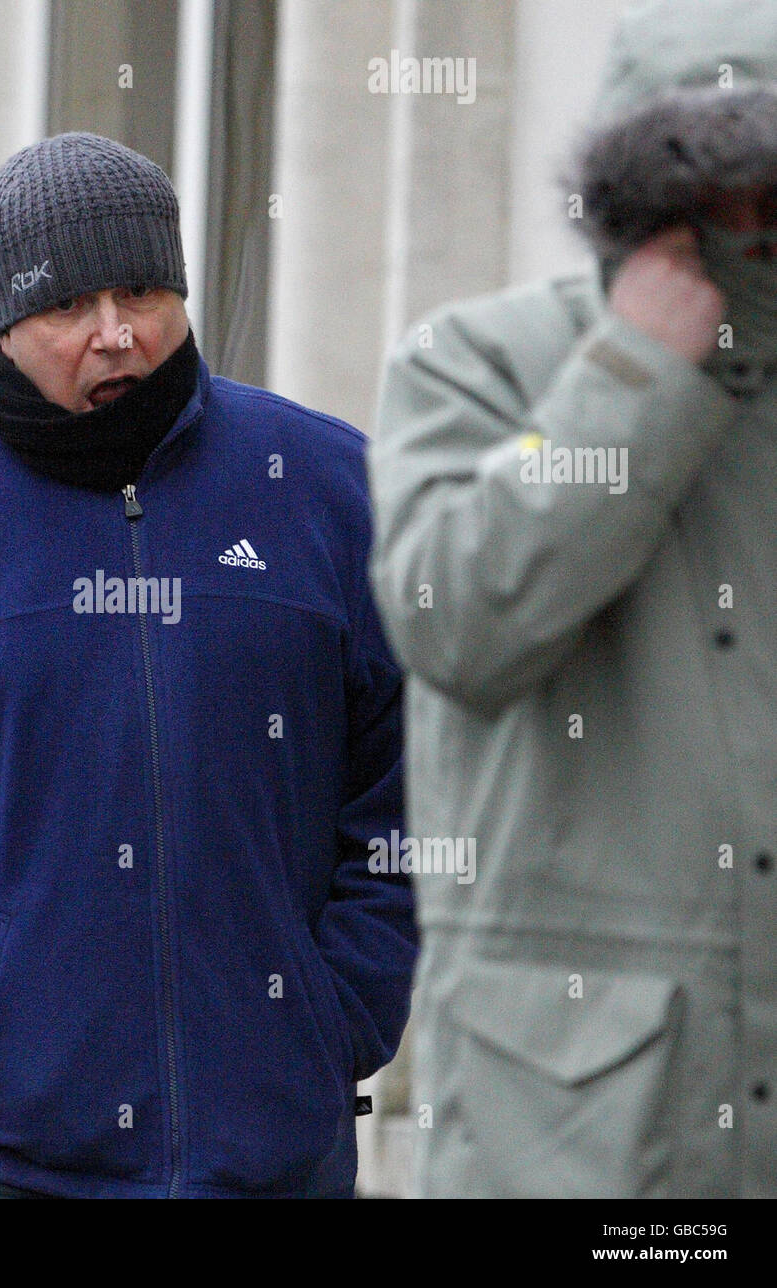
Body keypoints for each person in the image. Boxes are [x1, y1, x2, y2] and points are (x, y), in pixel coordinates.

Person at [0, 132, 417, 1199]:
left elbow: (413, 780)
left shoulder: (327, 487)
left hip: (274, 1150)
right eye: (70, 305)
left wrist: (335, 1010)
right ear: (5, 321)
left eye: (144, 292)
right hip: (0, 1155)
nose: (117, 334)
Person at [368, 0, 777, 1198]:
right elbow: (455, 618)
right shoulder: (480, 359)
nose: (742, 230)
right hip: (575, 1124)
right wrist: (635, 377)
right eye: (702, 192)